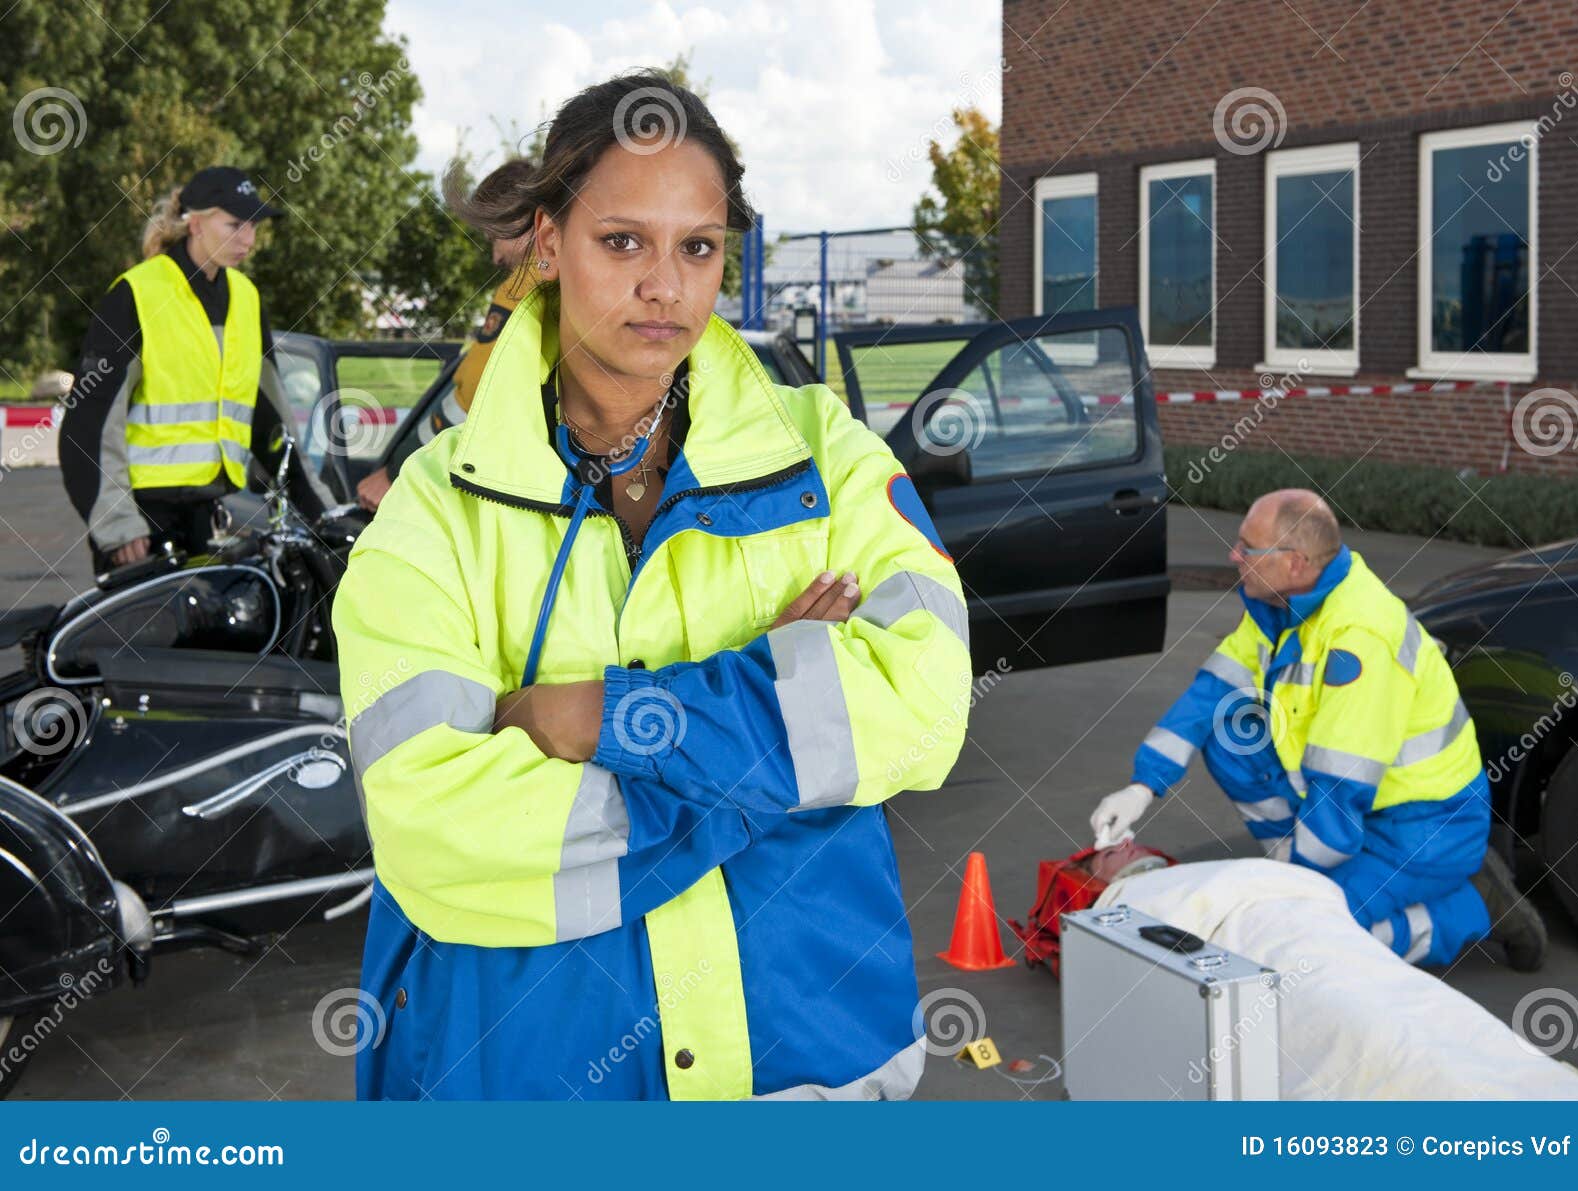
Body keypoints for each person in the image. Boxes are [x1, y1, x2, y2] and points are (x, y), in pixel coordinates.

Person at [332, 72, 973, 1100]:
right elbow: (426, 821)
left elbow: (925, 706)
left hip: (809, 1059)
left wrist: (608, 717)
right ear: (547, 243)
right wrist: (770, 752)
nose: (665, 287)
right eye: (621, 241)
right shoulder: (434, 510)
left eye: (698, 247)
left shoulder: (826, 456)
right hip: (536, 1077)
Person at [1090, 489, 1547, 971]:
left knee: (1307, 936)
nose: (1233, 555)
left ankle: (1475, 905)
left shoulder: (1360, 641)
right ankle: (1299, 862)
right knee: (1230, 731)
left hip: (1425, 826)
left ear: (1294, 563)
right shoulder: (1279, 604)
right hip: (1369, 808)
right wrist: (1143, 785)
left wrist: (1289, 893)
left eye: (1248, 548)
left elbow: (1339, 790)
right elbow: (1212, 692)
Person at [59, 166, 327, 572]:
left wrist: (323, 512)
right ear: (196, 223)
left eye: (254, 226)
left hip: (210, 519)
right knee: (145, 638)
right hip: (142, 524)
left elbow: (273, 425)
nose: (248, 240)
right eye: (235, 225)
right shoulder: (137, 293)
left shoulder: (246, 298)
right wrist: (118, 526)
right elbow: (88, 423)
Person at [354, 158, 540, 512]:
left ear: (517, 218)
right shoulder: (573, 278)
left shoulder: (525, 286)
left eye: (493, 236)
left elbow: (470, 397)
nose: (495, 256)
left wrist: (398, 472)